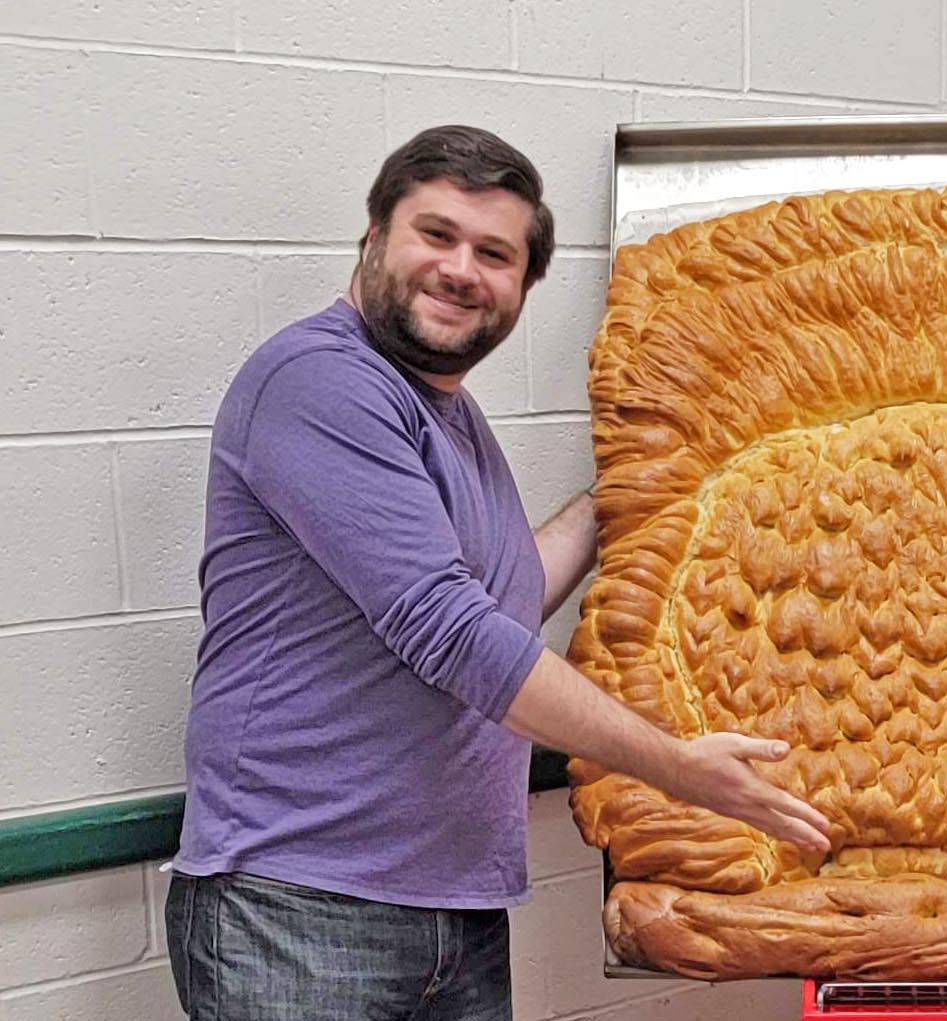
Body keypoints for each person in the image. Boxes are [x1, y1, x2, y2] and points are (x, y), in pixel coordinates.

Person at [164, 125, 831, 1020]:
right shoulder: (321, 381)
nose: (460, 269)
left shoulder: (450, 415)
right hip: (301, 913)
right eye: (434, 234)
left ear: (520, 288)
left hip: (455, 909)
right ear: (372, 241)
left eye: (494, 253)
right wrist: (675, 766)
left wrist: (644, 481)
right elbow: (454, 634)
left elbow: (501, 597)